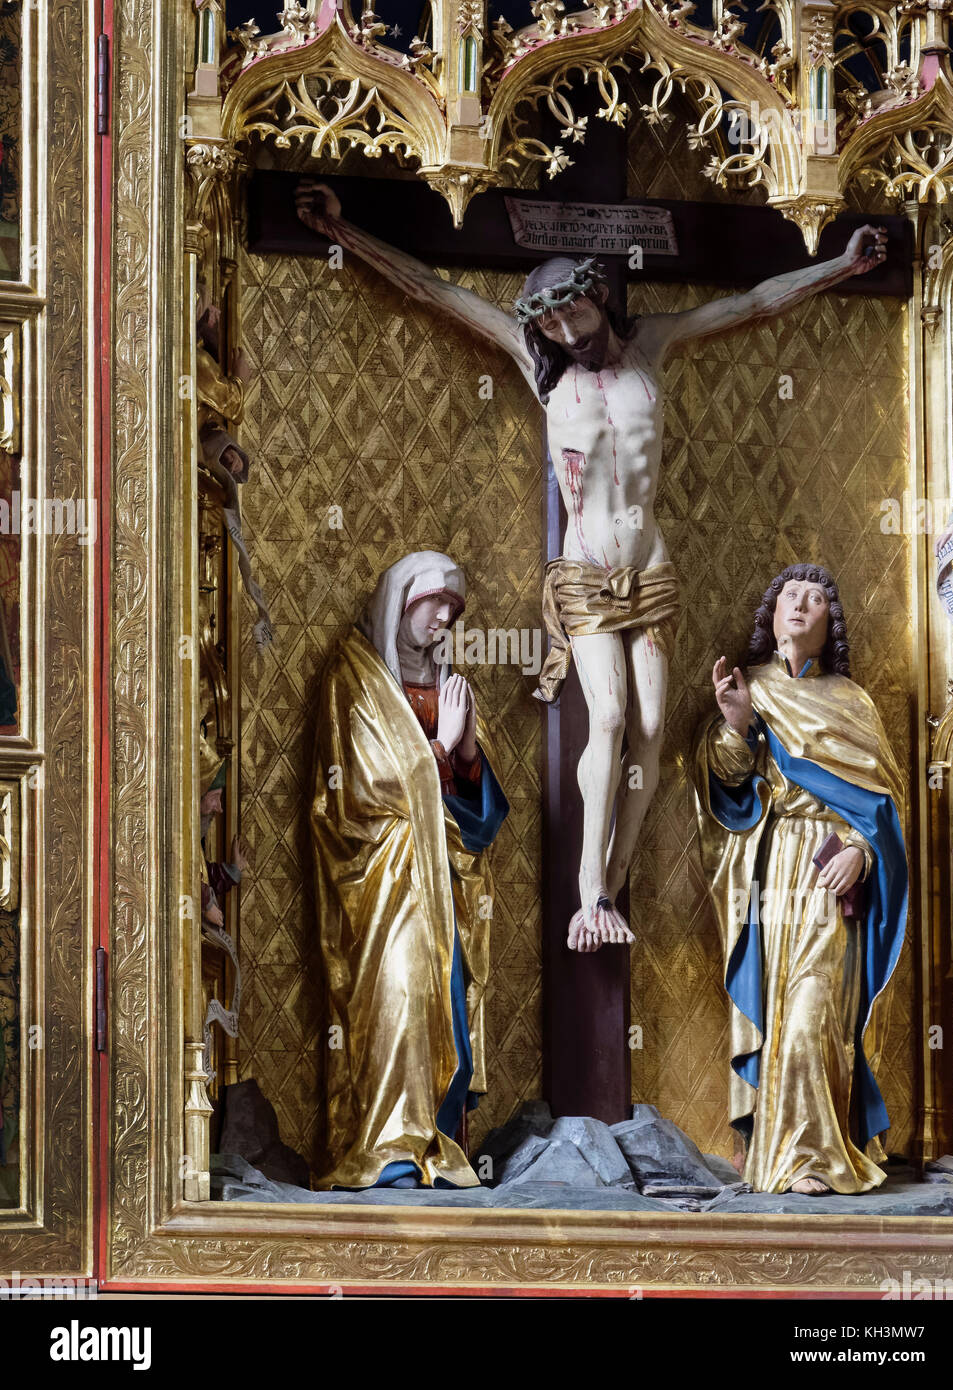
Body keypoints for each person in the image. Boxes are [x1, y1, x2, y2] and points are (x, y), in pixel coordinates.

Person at [296, 176, 888, 953]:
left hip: (651, 571)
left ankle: (611, 880)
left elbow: (749, 306)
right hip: (583, 575)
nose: (563, 330)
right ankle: (585, 893)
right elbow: (434, 290)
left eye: (570, 311)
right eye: (546, 321)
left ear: (598, 296)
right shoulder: (541, 368)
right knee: (606, 715)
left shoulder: (654, 345)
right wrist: (345, 234)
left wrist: (838, 269)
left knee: (647, 728)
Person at [693, 563, 908, 1194]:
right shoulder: (751, 687)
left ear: (828, 625)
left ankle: (815, 1153)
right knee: (782, 1011)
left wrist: (863, 852)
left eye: (815, 600)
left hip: (829, 865)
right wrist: (734, 725)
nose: (801, 605)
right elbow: (729, 789)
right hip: (774, 866)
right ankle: (780, 1151)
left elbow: (886, 804)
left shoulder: (853, 702)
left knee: (817, 1009)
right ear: (773, 612)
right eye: (791, 595)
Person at [310, 551, 508, 1189]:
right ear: (400, 600)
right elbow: (365, 785)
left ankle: (437, 1138)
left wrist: (469, 752)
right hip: (385, 876)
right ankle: (388, 1146)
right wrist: (443, 746)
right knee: (395, 991)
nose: (444, 617)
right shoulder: (355, 675)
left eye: (454, 609)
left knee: (441, 1001)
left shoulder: (451, 690)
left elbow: (478, 821)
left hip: (443, 880)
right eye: (434, 603)